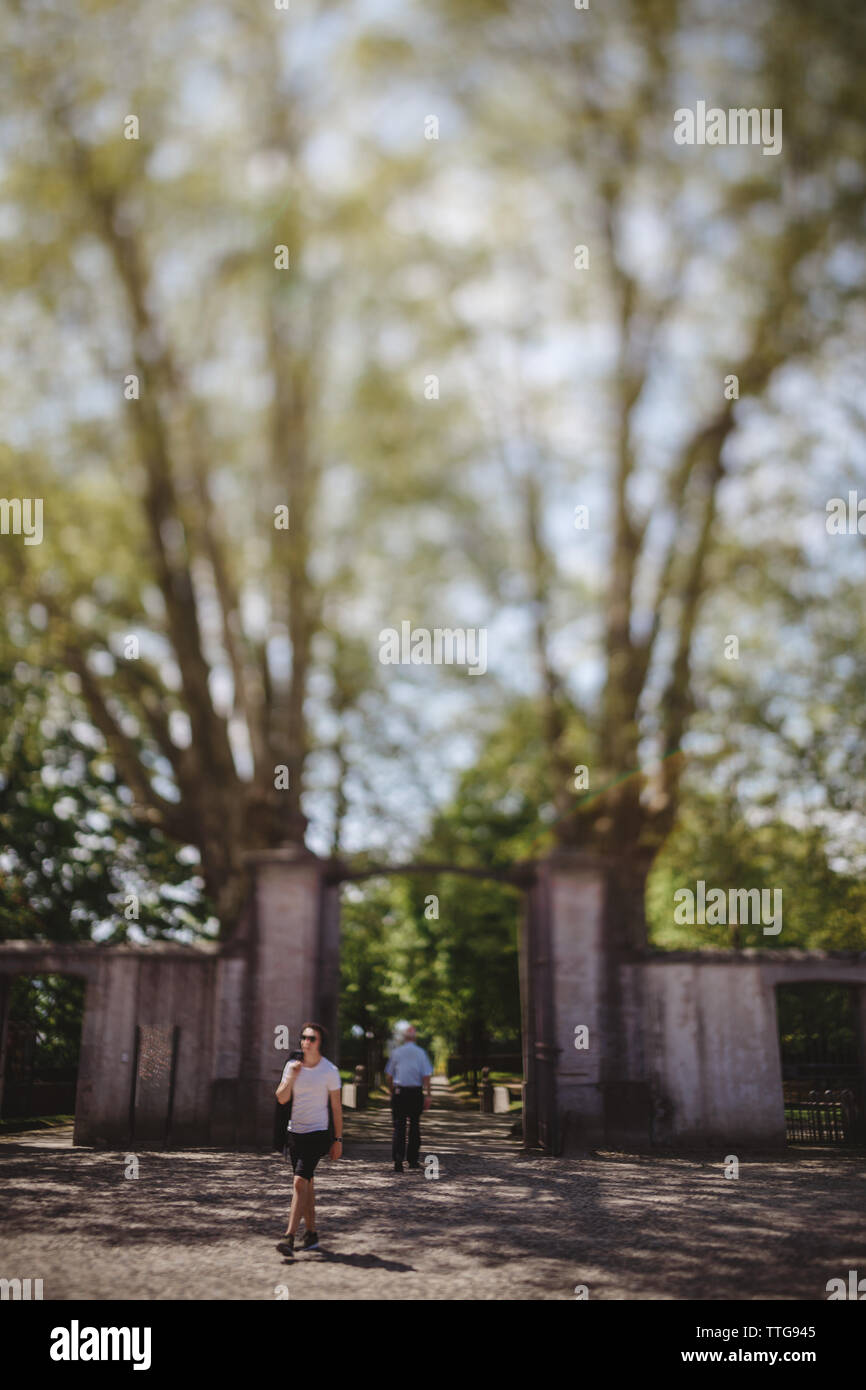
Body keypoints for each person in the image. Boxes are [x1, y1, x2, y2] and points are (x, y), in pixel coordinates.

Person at [274, 1021, 342, 1258]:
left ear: (320, 1043)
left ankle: (289, 1236)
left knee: (299, 1183)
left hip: (318, 1134)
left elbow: (336, 1107)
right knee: (308, 1185)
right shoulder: (292, 1066)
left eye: (311, 1038)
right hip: (295, 1133)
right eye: (303, 1038)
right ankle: (311, 1234)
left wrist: (338, 1139)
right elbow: (281, 1098)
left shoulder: (330, 1071)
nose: (306, 1042)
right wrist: (291, 1077)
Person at [385, 1025, 433, 1173]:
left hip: (400, 1092)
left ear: (404, 1038)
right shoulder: (421, 1053)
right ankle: (412, 1160)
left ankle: (398, 1161)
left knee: (399, 1126)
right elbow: (426, 1076)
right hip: (415, 1093)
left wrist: (392, 1090)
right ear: (415, 1038)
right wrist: (428, 1094)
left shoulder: (396, 1052)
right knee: (414, 1126)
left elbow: (389, 1075)